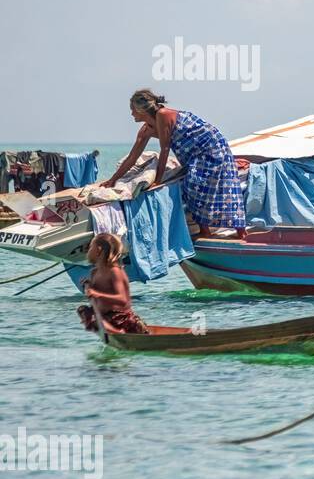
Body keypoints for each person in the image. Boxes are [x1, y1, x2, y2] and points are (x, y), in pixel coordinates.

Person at [101, 89, 246, 239]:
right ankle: (206, 231)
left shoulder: (162, 115)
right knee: (193, 185)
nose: (131, 114)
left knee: (201, 184)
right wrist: (113, 179)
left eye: (132, 110)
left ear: (141, 109)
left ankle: (240, 233)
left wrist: (158, 179)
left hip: (209, 146)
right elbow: (132, 158)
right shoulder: (145, 130)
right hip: (194, 154)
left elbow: (165, 149)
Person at [76, 233, 150, 335]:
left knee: (97, 320)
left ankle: (119, 333)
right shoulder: (94, 273)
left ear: (99, 250)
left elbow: (122, 299)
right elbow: (94, 300)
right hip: (104, 317)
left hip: (121, 319)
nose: (88, 251)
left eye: (91, 247)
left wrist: (98, 294)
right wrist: (88, 287)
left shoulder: (115, 272)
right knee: (83, 310)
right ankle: (109, 330)